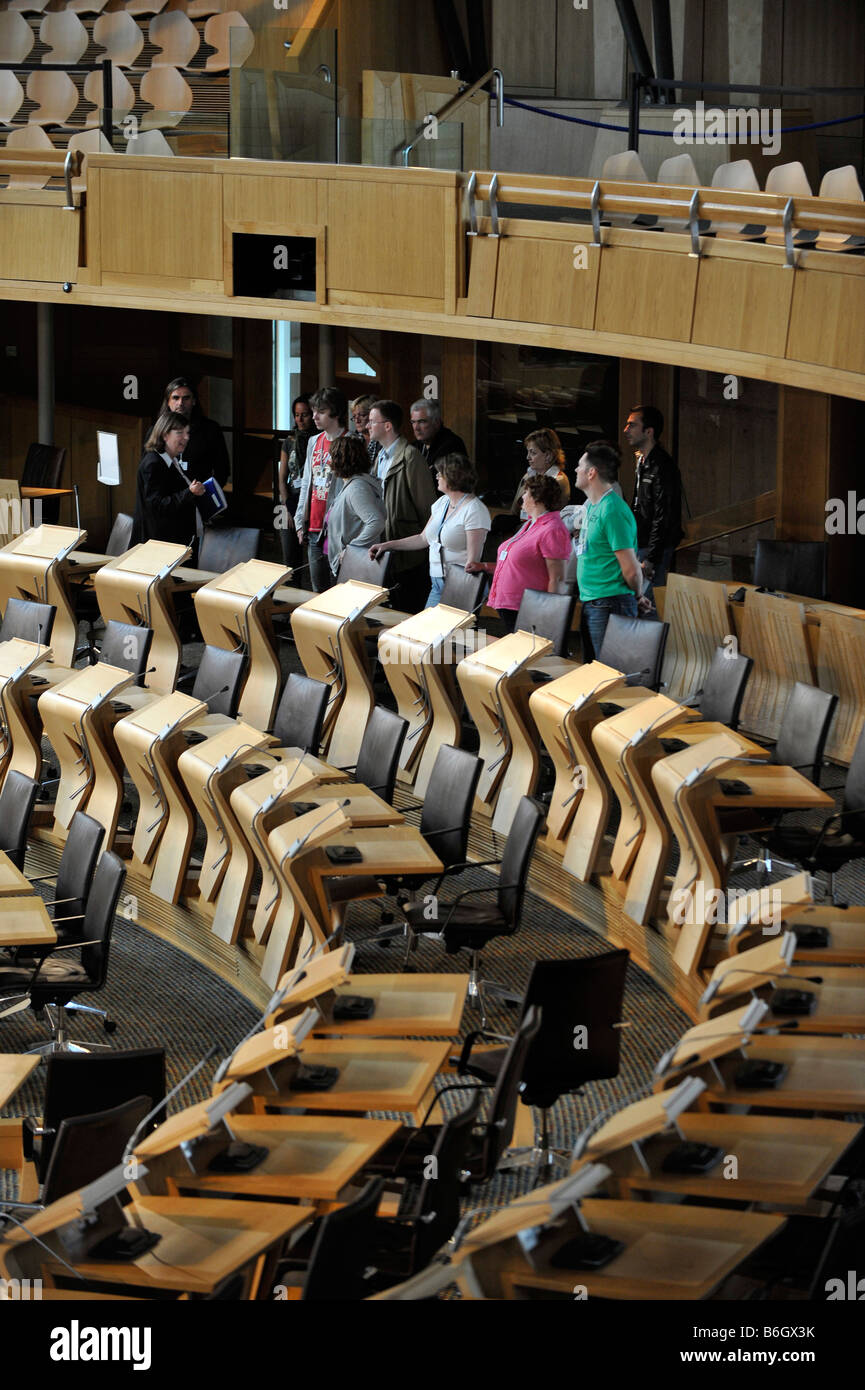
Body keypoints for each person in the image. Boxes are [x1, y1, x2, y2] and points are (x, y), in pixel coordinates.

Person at [370, 454, 490, 608]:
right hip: (436, 583)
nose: (437, 476)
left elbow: (472, 562)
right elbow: (423, 539)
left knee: (454, 633)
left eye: (440, 473)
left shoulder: (475, 509)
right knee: (426, 630)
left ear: (453, 477)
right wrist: (386, 545)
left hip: (459, 587)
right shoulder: (442, 502)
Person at [574, 440, 652, 660]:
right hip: (592, 600)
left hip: (610, 602)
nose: (576, 469)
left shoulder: (613, 510)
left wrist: (637, 596)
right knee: (592, 667)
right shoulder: (590, 505)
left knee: (610, 669)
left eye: (580, 466)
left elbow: (631, 569)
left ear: (591, 473)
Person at [468, 473, 571, 633]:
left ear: (537, 498)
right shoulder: (530, 523)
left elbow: (556, 577)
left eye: (526, 493)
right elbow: (516, 564)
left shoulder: (553, 529)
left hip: (528, 608)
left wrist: (548, 615)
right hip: (512, 605)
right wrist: (484, 566)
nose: (522, 497)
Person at [368, 399, 437, 612]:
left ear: (387, 425)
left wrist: (422, 548)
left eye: (372, 421)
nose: (368, 426)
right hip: (385, 548)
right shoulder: (380, 456)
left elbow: (427, 508)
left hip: (408, 556)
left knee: (407, 612)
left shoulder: (410, 457)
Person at [623, 404, 683, 590]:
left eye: (632, 425)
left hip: (651, 546)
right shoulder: (643, 460)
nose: (626, 430)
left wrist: (652, 557)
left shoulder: (662, 466)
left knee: (648, 603)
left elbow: (663, 515)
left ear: (648, 431)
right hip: (640, 540)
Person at [294, 386, 349, 592]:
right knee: (318, 590)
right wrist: (300, 520)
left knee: (341, 591)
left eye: (321, 411)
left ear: (335, 413)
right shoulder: (313, 441)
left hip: (338, 528)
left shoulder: (350, 441)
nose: (314, 416)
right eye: (314, 410)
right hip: (314, 526)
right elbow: (306, 482)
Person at [132, 410, 205, 545]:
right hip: (159, 544)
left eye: (187, 433)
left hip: (174, 539)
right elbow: (157, 505)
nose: (186, 437)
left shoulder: (170, 460)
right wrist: (189, 492)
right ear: (165, 435)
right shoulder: (153, 463)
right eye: (180, 433)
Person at [326, 435, 386, 578]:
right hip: (352, 564)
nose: (329, 462)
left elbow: (376, 522)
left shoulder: (357, 488)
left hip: (355, 566)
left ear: (341, 460)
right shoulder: (352, 484)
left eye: (332, 457)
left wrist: (351, 549)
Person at [158, 377, 230, 486]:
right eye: (175, 398)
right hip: (168, 500)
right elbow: (148, 472)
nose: (180, 403)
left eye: (186, 398)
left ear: (194, 401)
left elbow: (222, 470)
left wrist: (207, 494)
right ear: (168, 402)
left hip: (200, 497)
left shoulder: (210, 429)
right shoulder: (156, 431)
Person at [277, 394, 312, 567]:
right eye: (297, 415)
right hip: (289, 499)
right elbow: (282, 478)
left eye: (304, 414)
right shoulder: (289, 442)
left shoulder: (318, 440)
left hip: (311, 501)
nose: (300, 419)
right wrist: (288, 507)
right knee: (289, 560)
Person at [511, 428, 570, 517]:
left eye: (533, 453)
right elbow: (514, 510)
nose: (528, 457)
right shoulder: (528, 476)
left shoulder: (558, 481)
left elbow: (547, 518)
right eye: (528, 452)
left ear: (548, 456)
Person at [409, 398, 468, 482]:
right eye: (413, 422)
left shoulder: (452, 445)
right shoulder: (414, 446)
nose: (416, 428)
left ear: (436, 422)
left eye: (422, 422)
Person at [351, 393, 380, 466]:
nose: (357, 420)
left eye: (362, 415)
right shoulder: (352, 440)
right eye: (354, 416)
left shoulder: (383, 440)